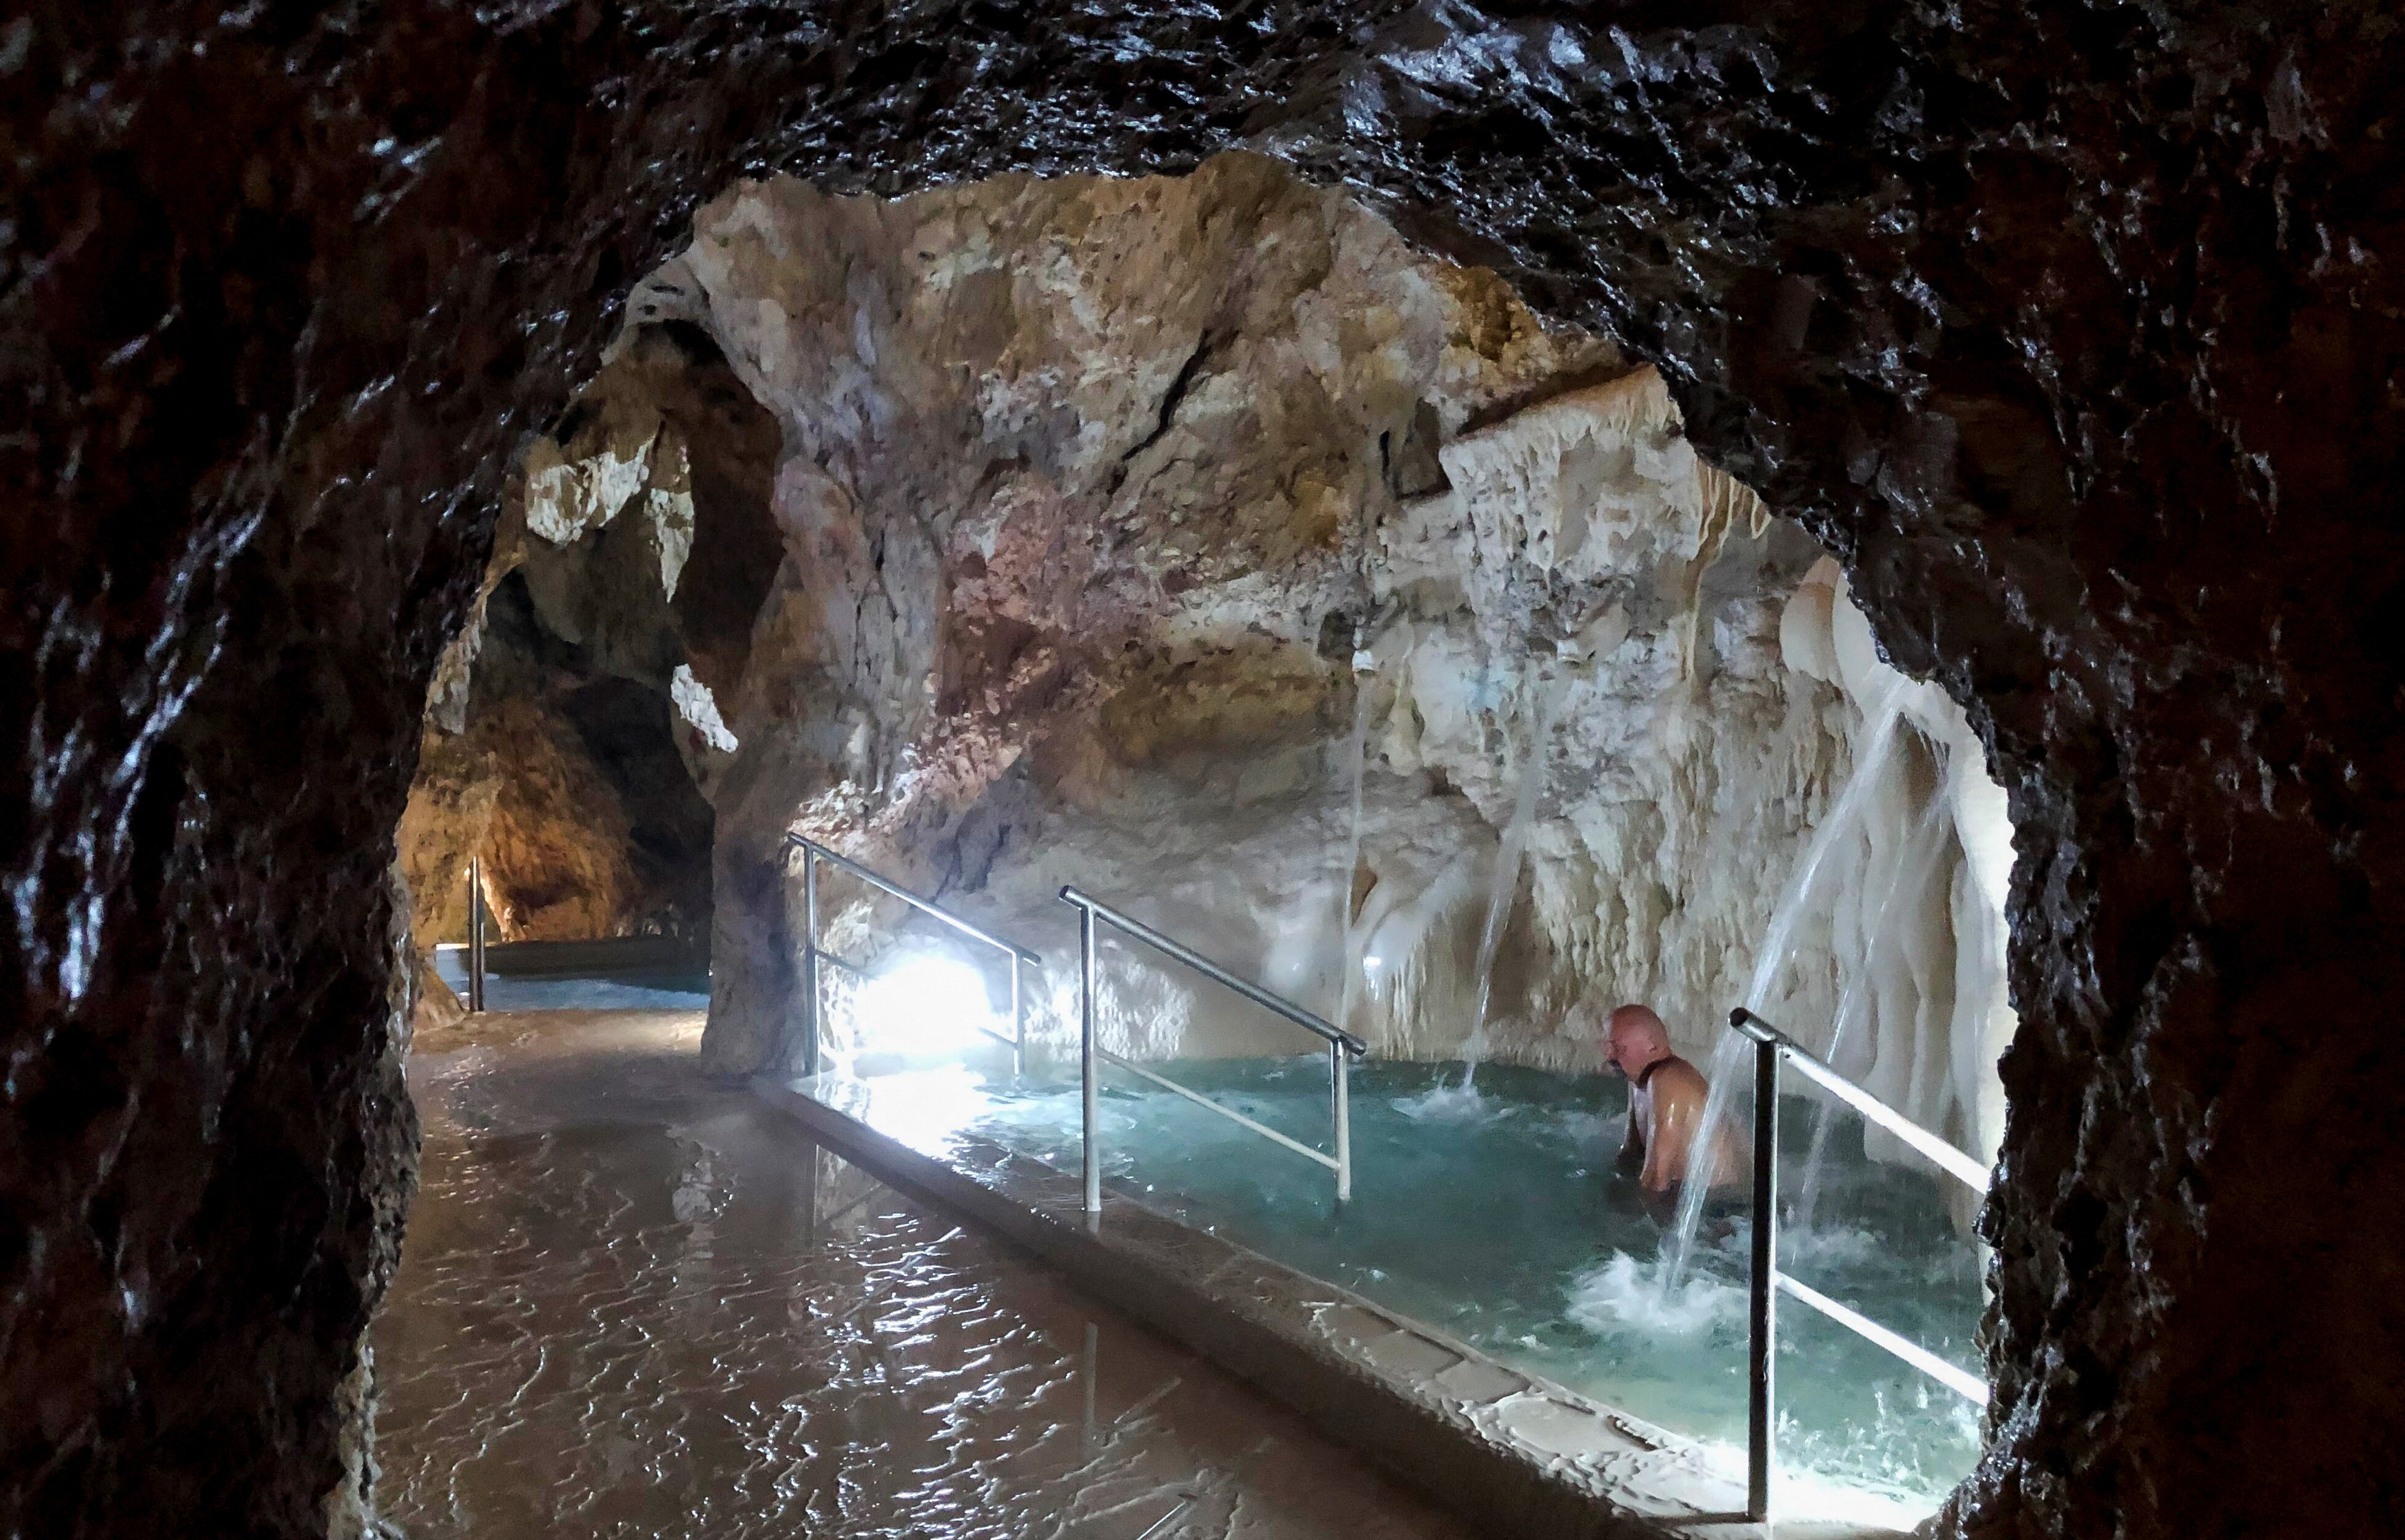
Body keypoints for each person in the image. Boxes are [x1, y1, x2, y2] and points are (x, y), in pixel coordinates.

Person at [1602, 1003, 1744, 1225]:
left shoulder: (1668, 1079)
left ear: (1651, 1045)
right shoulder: (1640, 1082)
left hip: (1726, 1210)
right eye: (1608, 1046)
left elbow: (1657, 1178)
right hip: (1696, 1199)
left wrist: (1622, 1226)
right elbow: (1631, 1154)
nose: (1608, 1055)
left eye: (1618, 1048)